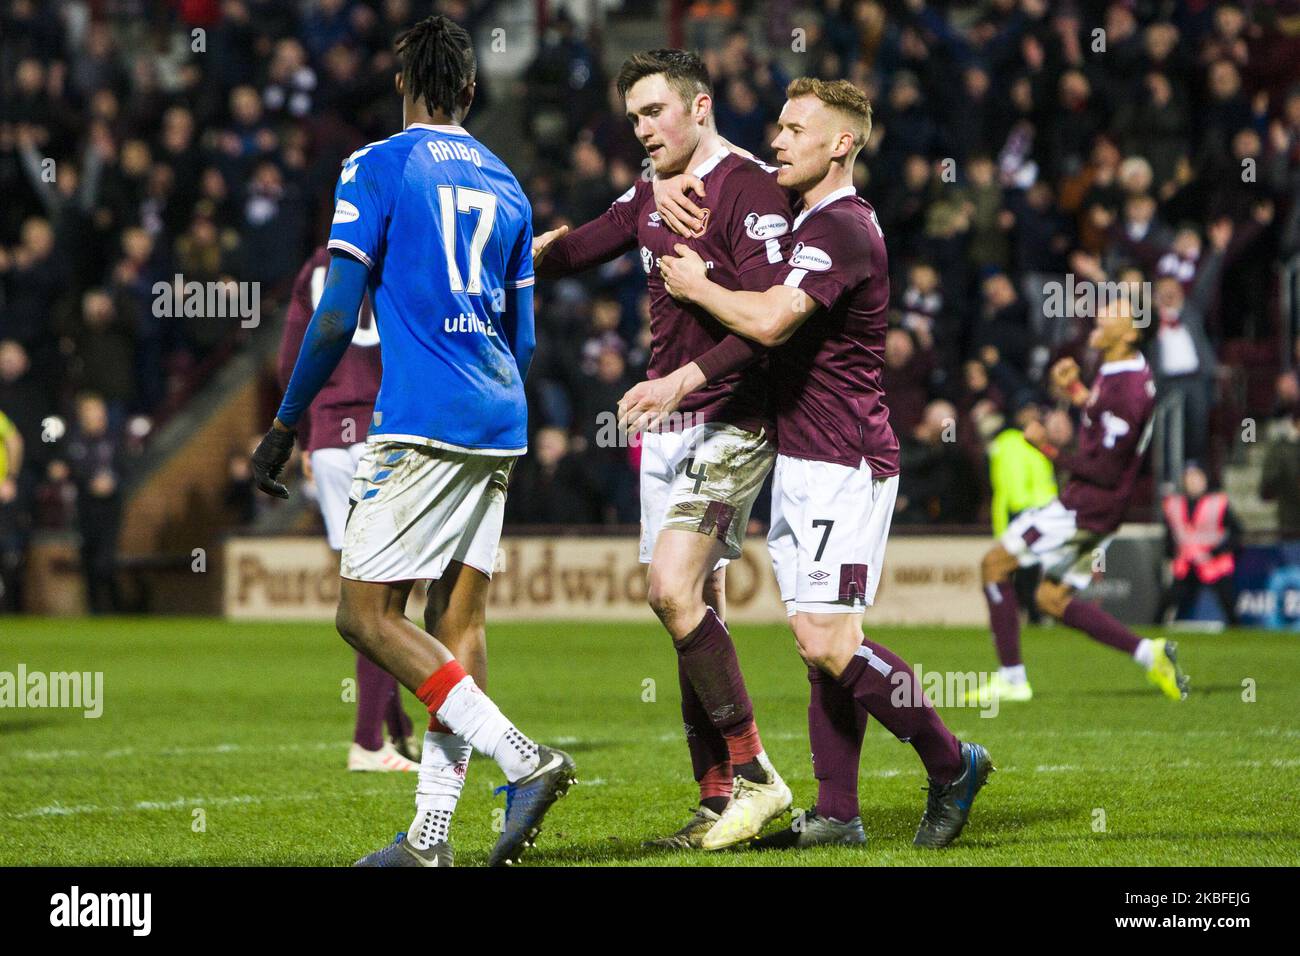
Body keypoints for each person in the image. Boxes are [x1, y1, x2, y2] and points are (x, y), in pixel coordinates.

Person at [628, 78, 994, 850]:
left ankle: (951, 759)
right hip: (801, 454)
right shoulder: (803, 225)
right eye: (778, 126)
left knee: (830, 642)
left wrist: (697, 284)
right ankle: (837, 813)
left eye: (797, 129)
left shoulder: (844, 229)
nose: (779, 140)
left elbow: (770, 319)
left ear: (842, 143)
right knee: (819, 642)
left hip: (843, 456)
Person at [250, 16, 574, 868]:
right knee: (456, 623)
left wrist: (286, 421)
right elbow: (527, 337)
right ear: (470, 91)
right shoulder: (509, 184)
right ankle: (430, 840)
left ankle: (523, 758)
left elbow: (331, 316)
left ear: (405, 87)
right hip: (499, 416)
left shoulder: (377, 165)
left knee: (363, 615)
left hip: (422, 420)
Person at [532, 49, 794, 850]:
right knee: (688, 610)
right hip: (669, 427)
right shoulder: (649, 190)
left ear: (700, 106)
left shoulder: (750, 189)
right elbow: (582, 248)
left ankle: (755, 775)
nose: (643, 130)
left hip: (730, 417)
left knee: (671, 590)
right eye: (635, 118)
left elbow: (771, 326)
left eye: (655, 112)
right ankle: (718, 800)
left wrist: (683, 378)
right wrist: (518, 244)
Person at [971, 299, 1189, 705]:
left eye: (1112, 312)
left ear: (1130, 332)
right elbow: (1103, 418)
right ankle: (1149, 653)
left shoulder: (1130, 391)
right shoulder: (1120, 369)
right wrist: (1075, 390)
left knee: (994, 565)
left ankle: (1012, 679)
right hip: (1101, 509)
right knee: (1050, 599)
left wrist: (1047, 449)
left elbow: (1106, 469)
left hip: (1086, 507)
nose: (1100, 314)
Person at [277, 245, 419, 773]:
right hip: (379, 433)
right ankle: (367, 742)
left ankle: (397, 729)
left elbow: (291, 357)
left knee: (369, 587)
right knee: (384, 596)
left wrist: (307, 435)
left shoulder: (313, 266)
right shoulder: (397, 258)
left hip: (331, 445)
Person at [1156, 463, 1240, 626]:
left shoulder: (1218, 502)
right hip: (1186, 562)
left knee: (1228, 602)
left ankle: (1237, 630)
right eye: (1190, 478)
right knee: (1168, 600)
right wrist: (1170, 555)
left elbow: (1236, 532)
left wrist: (1218, 551)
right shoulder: (1174, 504)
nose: (1193, 482)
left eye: (1197, 478)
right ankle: (1153, 631)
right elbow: (1169, 534)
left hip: (1213, 562)